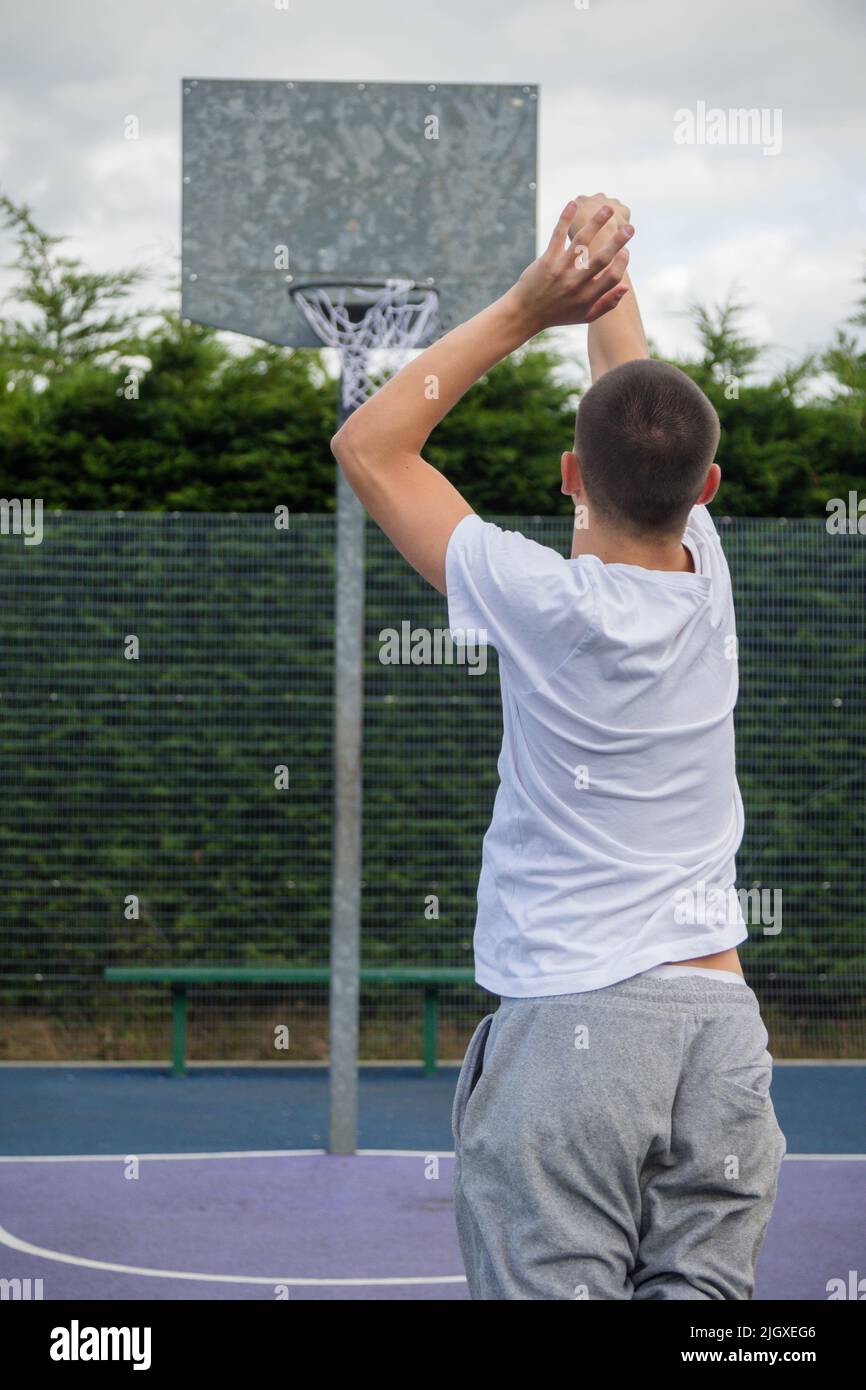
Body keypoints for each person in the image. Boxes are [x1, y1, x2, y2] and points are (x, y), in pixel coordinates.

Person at [330, 195, 786, 1300]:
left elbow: (369, 442)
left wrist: (535, 300)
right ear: (705, 491)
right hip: (722, 1034)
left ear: (568, 478)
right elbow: (631, 393)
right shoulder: (707, 577)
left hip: (576, 1027)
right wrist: (608, 284)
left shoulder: (543, 599)